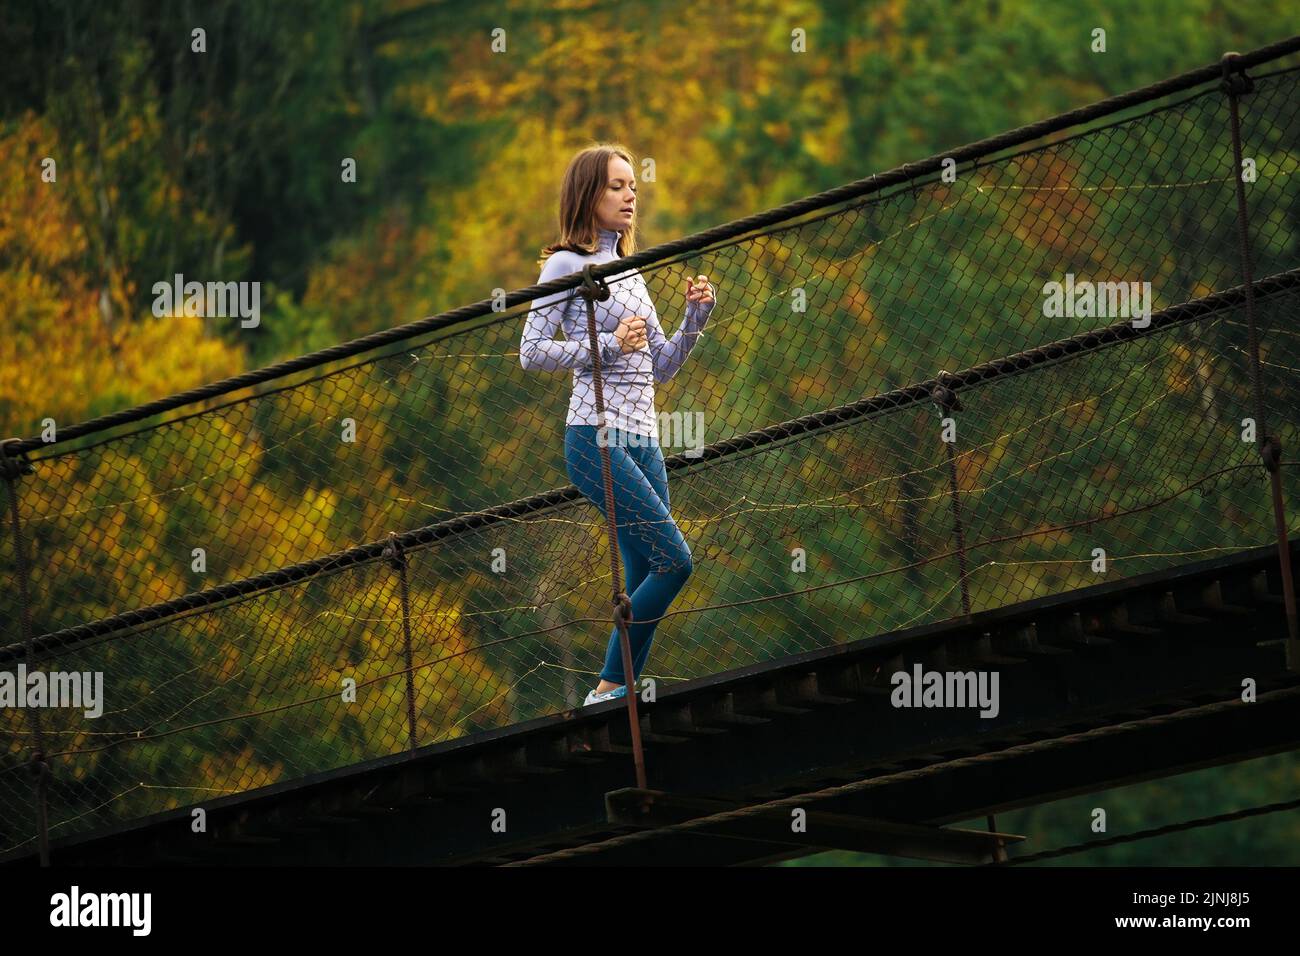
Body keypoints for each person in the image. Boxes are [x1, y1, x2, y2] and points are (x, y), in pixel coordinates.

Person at [519, 142, 716, 706]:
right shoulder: (565, 265)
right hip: (594, 436)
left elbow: (662, 366)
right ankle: (607, 689)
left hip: (645, 438)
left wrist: (694, 319)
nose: (631, 195)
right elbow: (531, 352)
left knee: (646, 571)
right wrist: (606, 343)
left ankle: (619, 692)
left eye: (633, 185)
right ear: (588, 193)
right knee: (676, 561)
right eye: (616, 185)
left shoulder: (631, 270)